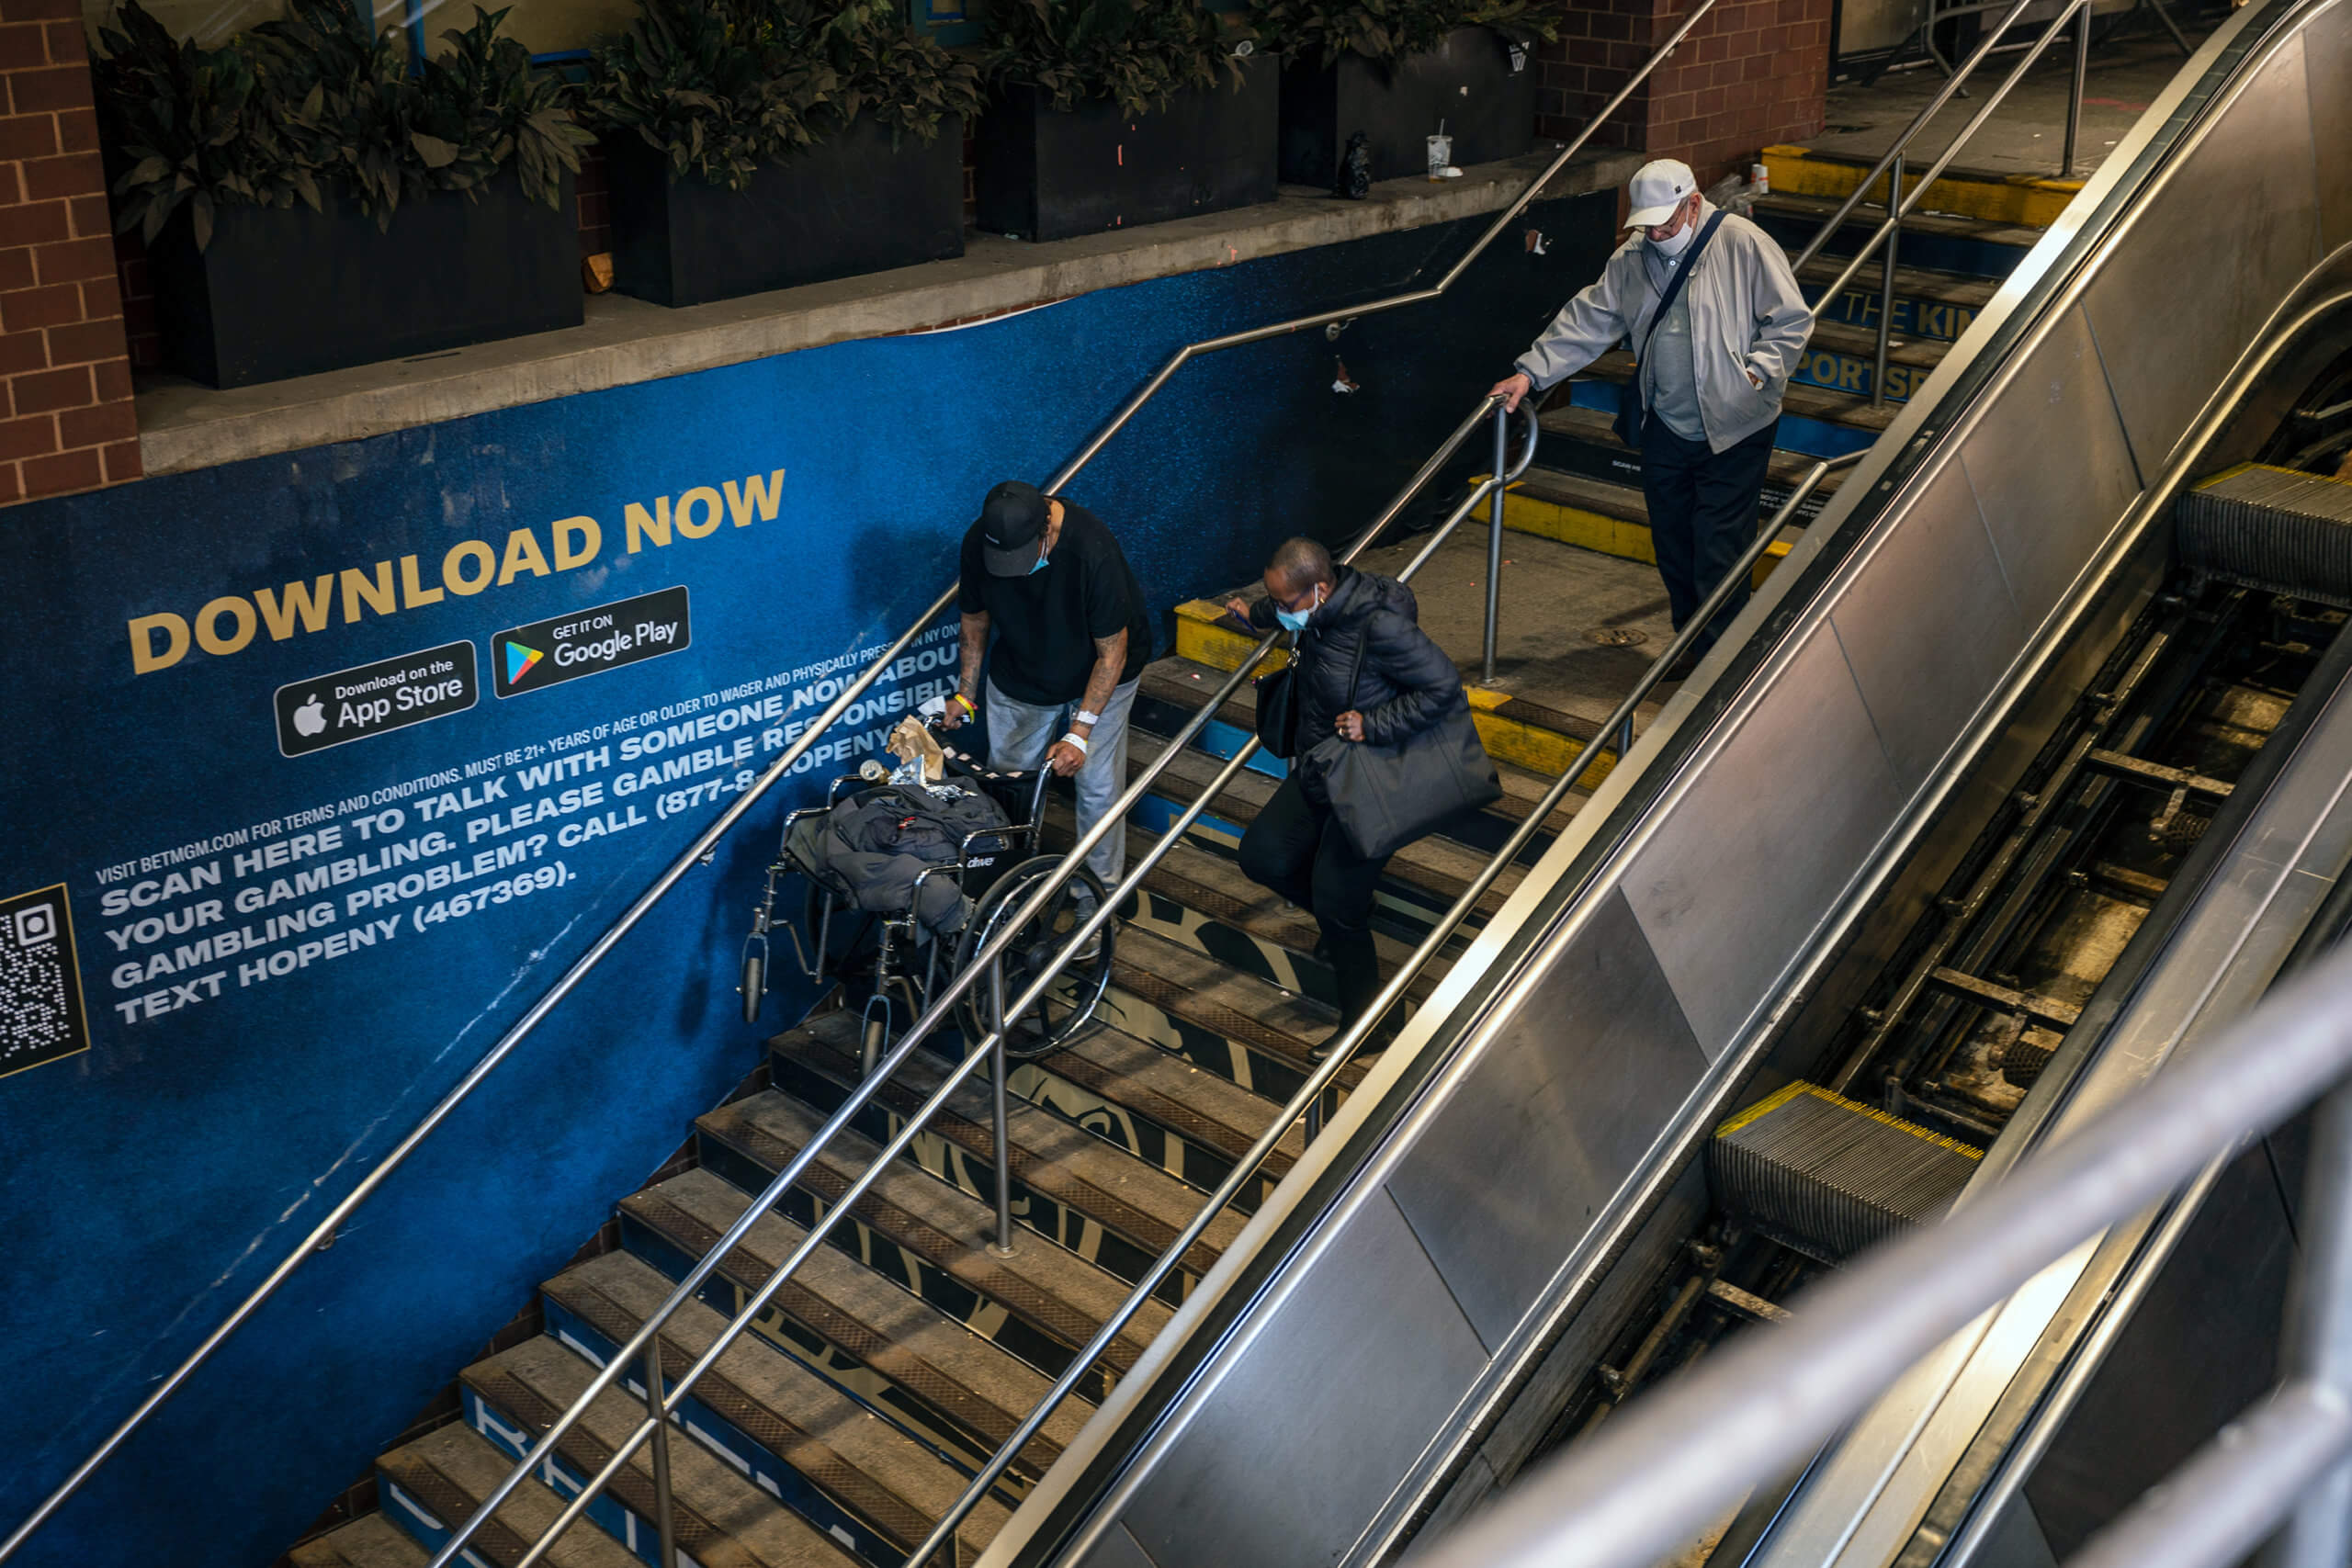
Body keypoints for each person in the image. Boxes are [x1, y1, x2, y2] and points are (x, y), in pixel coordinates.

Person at [1490, 158, 1813, 674]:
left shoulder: (1743, 243)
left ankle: (1721, 662)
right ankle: (1692, 639)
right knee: (1673, 541)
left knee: (1718, 547)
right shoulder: (1632, 257)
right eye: (1648, 224)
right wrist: (1531, 374)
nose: (1657, 232)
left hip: (1734, 425)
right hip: (1665, 421)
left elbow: (1791, 320)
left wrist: (1756, 373)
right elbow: (1591, 318)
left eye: (1665, 221)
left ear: (1692, 203)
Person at [1226, 536, 1471, 1055]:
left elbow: (1444, 688)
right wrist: (1256, 612)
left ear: (1319, 589)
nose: (1284, 613)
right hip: (1321, 763)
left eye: (1289, 604)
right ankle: (1347, 916)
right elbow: (1279, 604)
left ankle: (1368, 1024)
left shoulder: (1379, 625)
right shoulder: (1308, 605)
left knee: (1338, 900)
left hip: (1371, 776)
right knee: (1262, 856)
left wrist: (1374, 723)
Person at [942, 479, 1152, 890]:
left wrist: (1080, 733)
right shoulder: (980, 541)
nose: (1013, 568)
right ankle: (1007, 891)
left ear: (1046, 531)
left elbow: (1113, 653)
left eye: (1020, 557)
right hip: (1024, 668)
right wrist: (965, 694)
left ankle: (1098, 899)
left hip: (1100, 673)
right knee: (1007, 785)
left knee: (1096, 788)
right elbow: (974, 617)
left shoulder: (1092, 549)